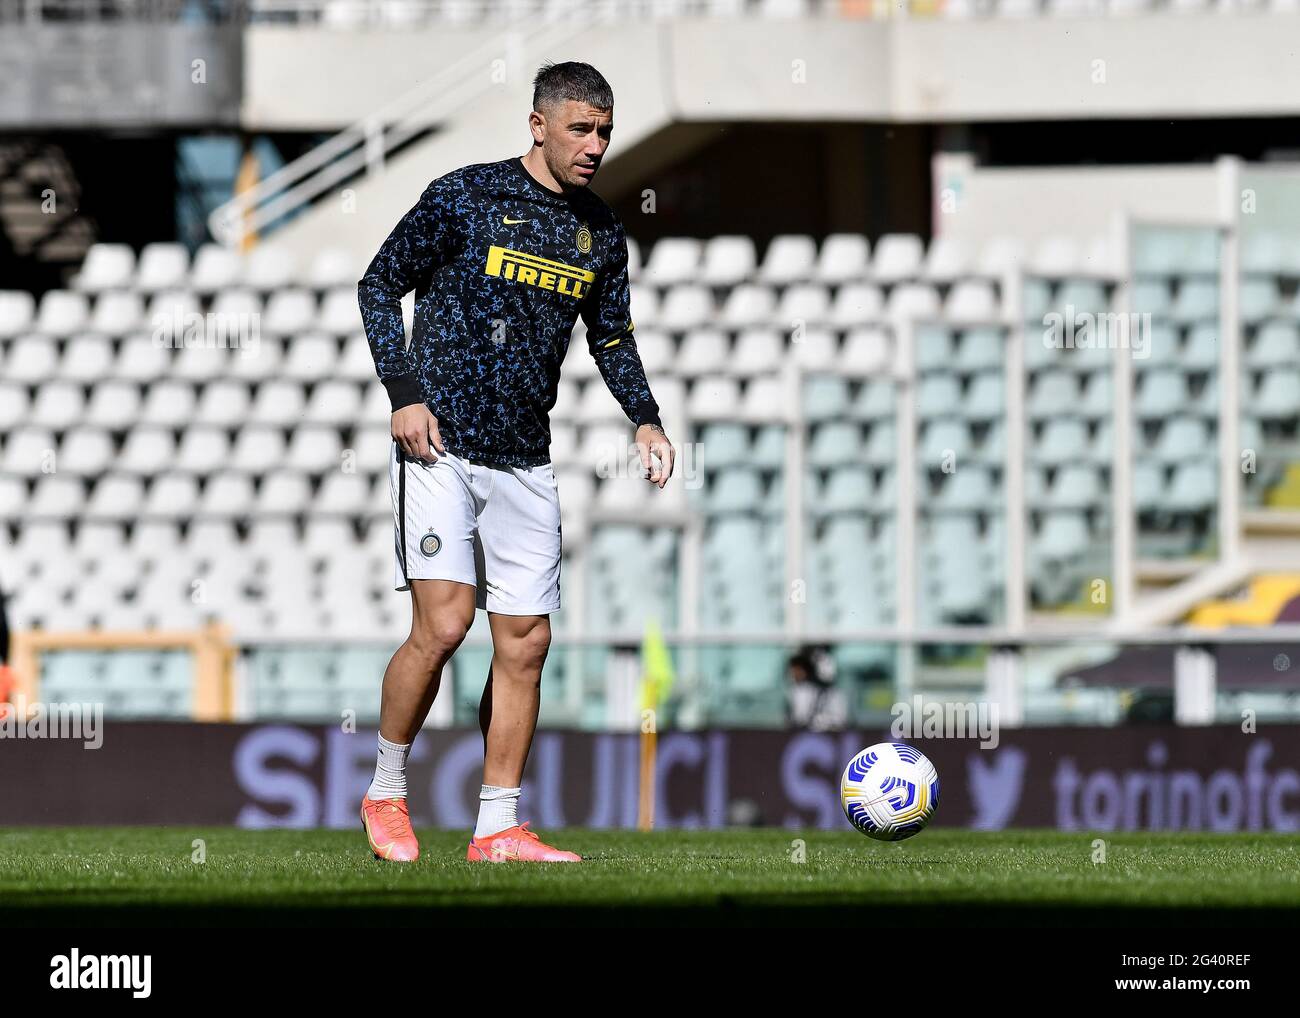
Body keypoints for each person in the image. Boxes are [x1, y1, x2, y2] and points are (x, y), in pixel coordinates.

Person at [355, 61, 675, 863]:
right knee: (446, 623)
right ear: (538, 126)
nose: (596, 144)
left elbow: (611, 336)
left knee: (527, 641)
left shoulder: (599, 230)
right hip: (440, 444)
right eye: (580, 128)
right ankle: (387, 791)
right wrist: (404, 391)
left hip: (525, 456)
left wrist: (645, 418)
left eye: (604, 130)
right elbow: (378, 283)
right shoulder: (464, 195)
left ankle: (497, 825)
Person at [785, 647, 847, 731]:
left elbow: (841, 720)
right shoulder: (799, 691)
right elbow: (798, 718)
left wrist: (823, 721)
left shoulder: (835, 693)